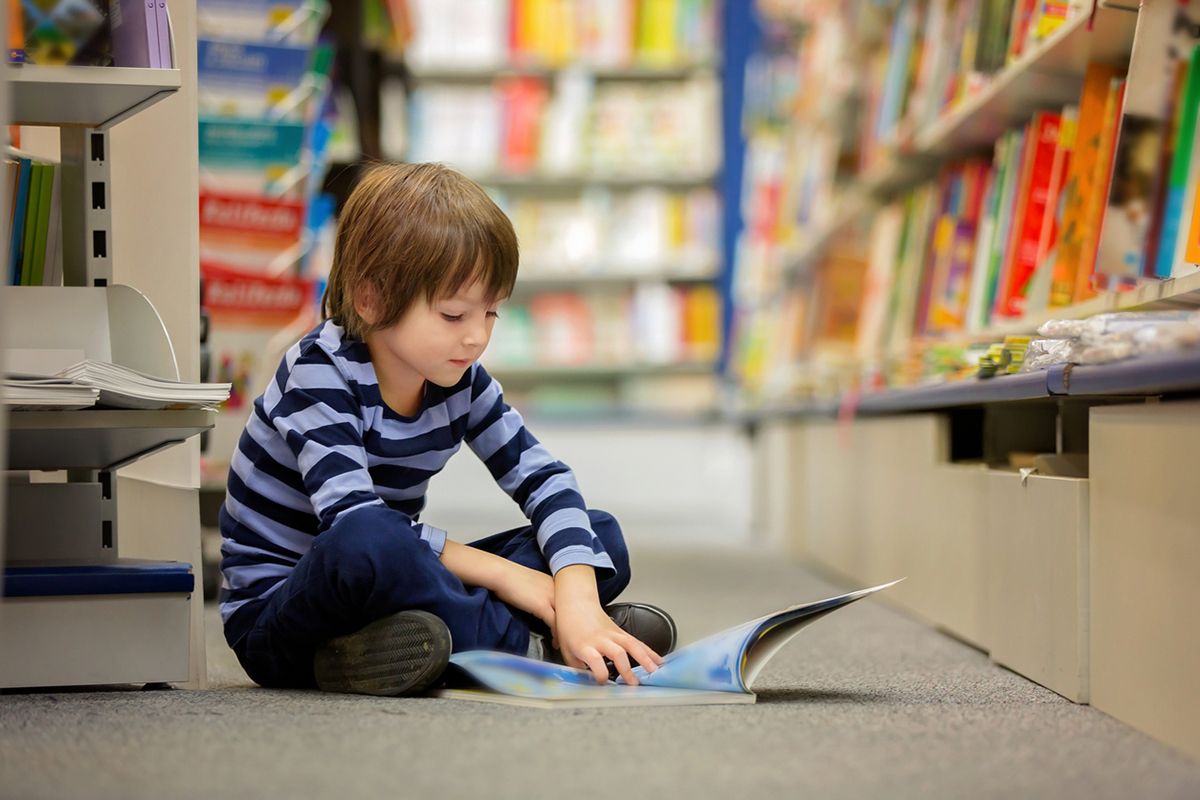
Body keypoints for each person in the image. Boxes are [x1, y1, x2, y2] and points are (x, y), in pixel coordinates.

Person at [217, 162, 677, 696]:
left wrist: (574, 593)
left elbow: (545, 479)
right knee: (370, 539)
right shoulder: (318, 372)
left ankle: (436, 643)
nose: (476, 337)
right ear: (371, 299)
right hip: (279, 620)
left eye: (491, 314)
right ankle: (534, 646)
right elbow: (353, 521)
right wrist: (511, 577)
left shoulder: (461, 381)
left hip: (388, 590)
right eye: (454, 316)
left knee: (598, 534)